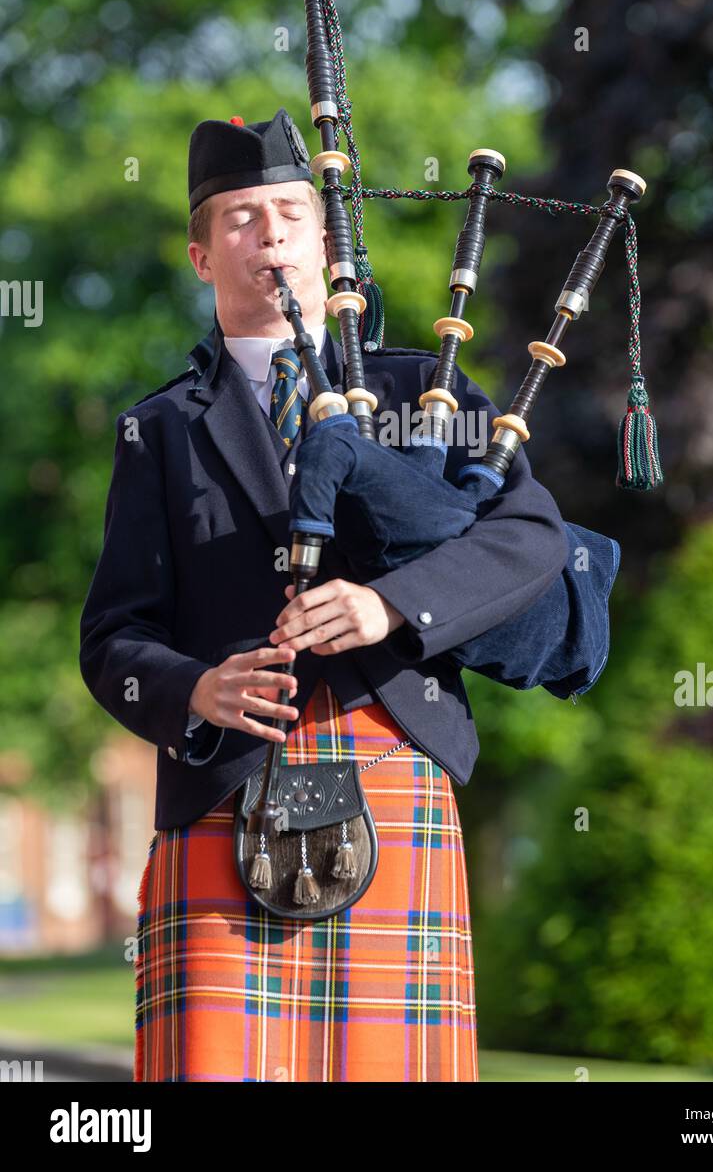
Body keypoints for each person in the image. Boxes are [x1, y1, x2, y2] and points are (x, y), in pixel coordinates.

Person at [79, 108, 570, 1083]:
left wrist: (393, 605)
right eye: (242, 218)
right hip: (224, 790)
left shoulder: (421, 396)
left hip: (394, 769)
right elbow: (113, 637)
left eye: (292, 215)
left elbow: (527, 538)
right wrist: (193, 692)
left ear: (326, 239)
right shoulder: (159, 431)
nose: (269, 237)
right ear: (198, 253)